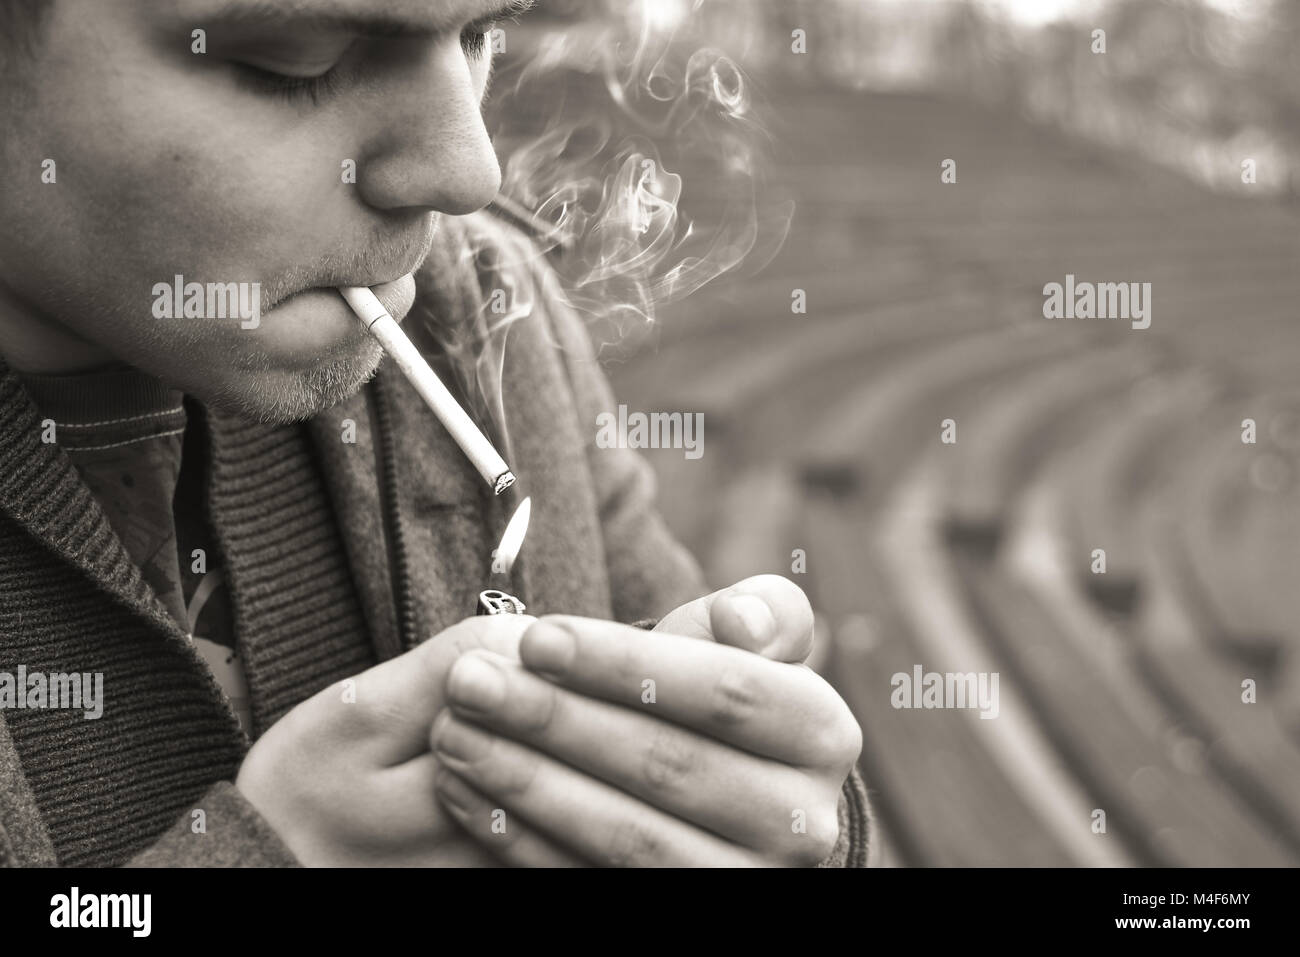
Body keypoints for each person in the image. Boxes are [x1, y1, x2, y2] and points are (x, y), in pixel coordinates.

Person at [0, 0, 872, 867]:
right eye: (296, 61)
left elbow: (731, 778)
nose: (468, 173)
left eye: (479, 34)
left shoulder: (482, 310)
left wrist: (758, 808)